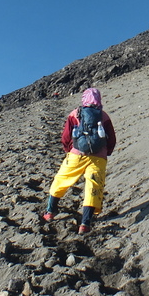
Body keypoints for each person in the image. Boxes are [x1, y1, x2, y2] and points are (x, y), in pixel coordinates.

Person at [42, 88, 116, 234]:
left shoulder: (75, 113)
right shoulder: (104, 116)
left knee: (61, 180)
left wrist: (70, 151)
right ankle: (85, 223)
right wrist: (105, 152)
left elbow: (66, 137)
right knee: (93, 187)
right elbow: (112, 139)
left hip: (77, 155)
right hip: (98, 158)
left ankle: (50, 212)